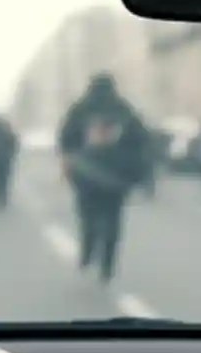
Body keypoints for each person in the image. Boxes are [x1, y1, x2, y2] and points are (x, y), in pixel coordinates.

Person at [57, 74, 148, 283]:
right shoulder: (124, 110)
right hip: (116, 177)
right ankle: (108, 264)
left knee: (87, 216)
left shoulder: (80, 109)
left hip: (86, 175)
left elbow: (65, 138)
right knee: (113, 220)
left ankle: (87, 252)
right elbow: (141, 140)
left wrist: (71, 161)